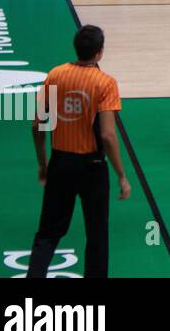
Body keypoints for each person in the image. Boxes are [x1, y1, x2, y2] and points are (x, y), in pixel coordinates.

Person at [27, 25, 130, 278]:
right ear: (99, 52)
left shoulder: (55, 75)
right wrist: (121, 175)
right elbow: (107, 135)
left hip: (60, 163)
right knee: (97, 234)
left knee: (48, 232)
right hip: (92, 168)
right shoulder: (105, 84)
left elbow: (38, 125)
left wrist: (43, 163)